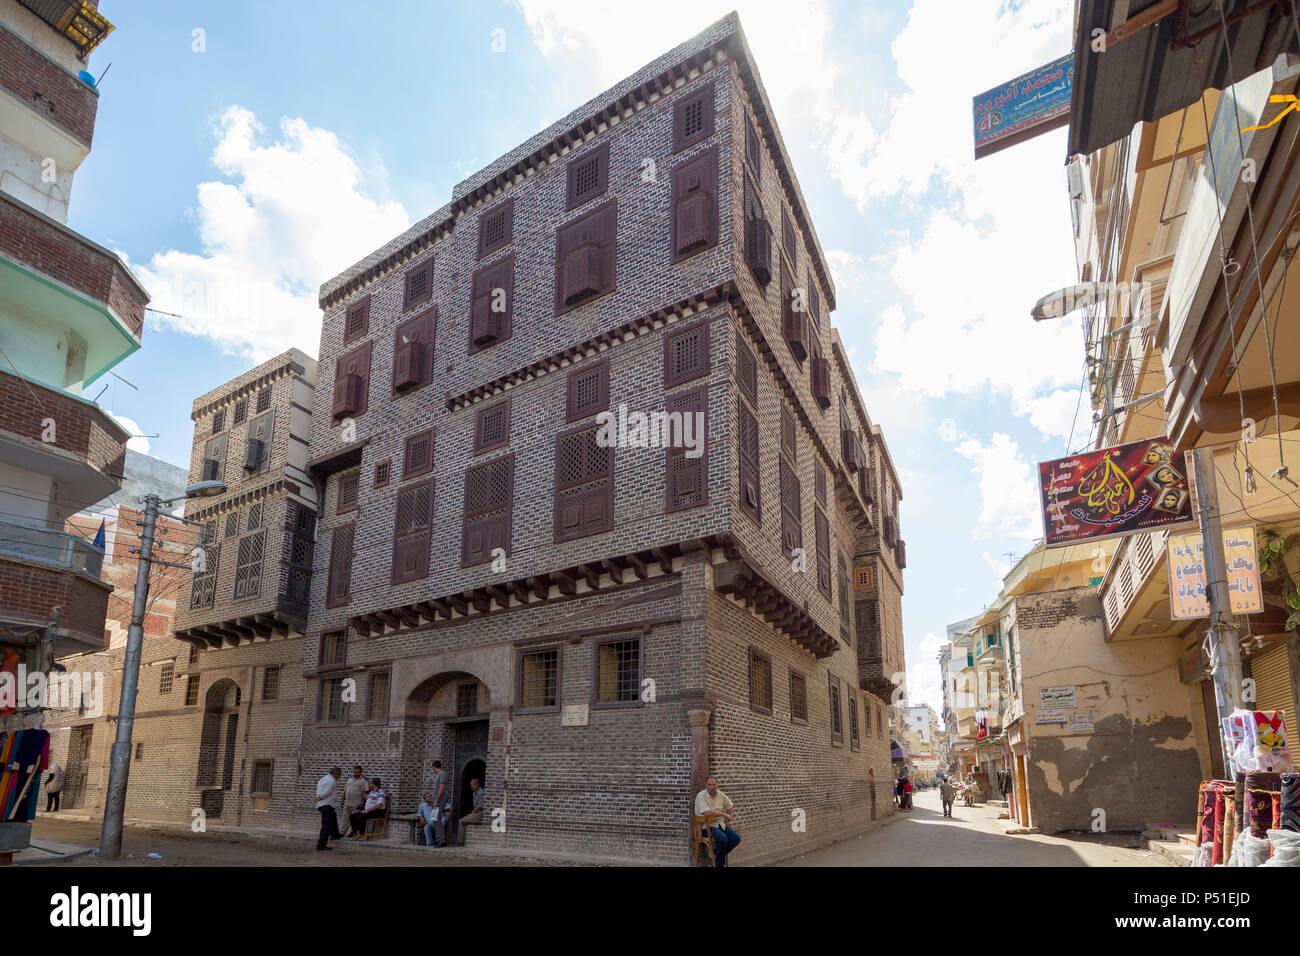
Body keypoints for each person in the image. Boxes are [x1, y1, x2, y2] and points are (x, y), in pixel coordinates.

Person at [695, 776, 740, 867]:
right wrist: (723, 815)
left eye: (714, 784)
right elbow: (706, 812)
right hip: (706, 826)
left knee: (736, 838)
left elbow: (730, 806)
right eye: (709, 785)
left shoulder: (720, 794)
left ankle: (714, 855)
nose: (711, 786)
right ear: (706, 785)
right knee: (723, 838)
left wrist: (727, 820)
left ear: (717, 785)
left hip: (720, 824)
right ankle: (719, 864)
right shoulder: (701, 795)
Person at [314, 767, 342, 851]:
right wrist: (320, 797)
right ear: (335, 773)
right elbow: (327, 792)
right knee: (326, 826)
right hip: (326, 804)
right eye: (340, 774)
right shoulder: (331, 780)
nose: (340, 776)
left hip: (323, 805)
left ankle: (335, 834)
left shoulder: (323, 779)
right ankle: (321, 845)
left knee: (333, 817)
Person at [339, 765, 367, 837]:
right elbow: (345, 790)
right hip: (347, 803)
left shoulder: (364, 781)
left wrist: (362, 803)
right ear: (353, 771)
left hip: (356, 804)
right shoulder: (349, 779)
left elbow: (364, 793)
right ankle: (342, 833)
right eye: (356, 772)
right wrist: (342, 800)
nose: (357, 774)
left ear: (361, 772)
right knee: (345, 819)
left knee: (354, 819)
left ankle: (351, 833)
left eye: (359, 772)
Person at [457, 777, 486, 846]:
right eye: (471, 785)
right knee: (465, 818)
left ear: (478, 784)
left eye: (474, 785)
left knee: (460, 821)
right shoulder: (474, 793)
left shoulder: (480, 792)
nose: (472, 786)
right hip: (477, 813)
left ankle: (460, 842)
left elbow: (479, 807)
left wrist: (471, 813)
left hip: (480, 814)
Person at [430, 760, 451, 847]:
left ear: (434, 767)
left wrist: (436, 800)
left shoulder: (442, 774)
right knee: (435, 820)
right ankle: (438, 839)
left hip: (439, 800)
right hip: (437, 800)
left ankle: (441, 840)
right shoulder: (439, 775)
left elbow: (441, 788)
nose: (433, 770)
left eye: (433, 768)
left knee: (438, 820)